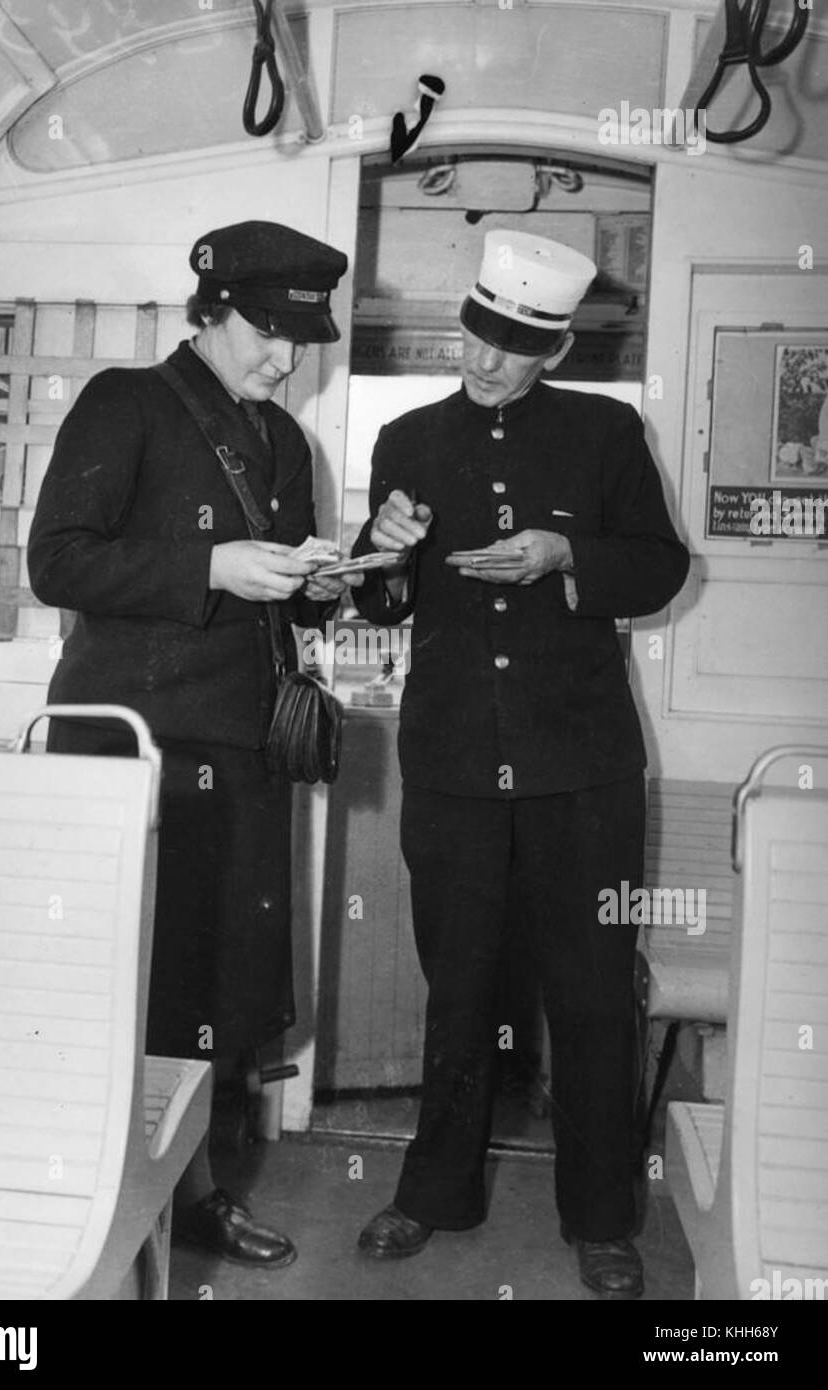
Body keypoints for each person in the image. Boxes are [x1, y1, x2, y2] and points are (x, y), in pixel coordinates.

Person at [351, 229, 690, 1299]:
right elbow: (376, 599)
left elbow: (663, 564)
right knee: (457, 986)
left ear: (553, 352)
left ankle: (599, 1216)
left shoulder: (605, 431)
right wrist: (388, 549)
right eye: (477, 337)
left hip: (581, 766)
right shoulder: (404, 438)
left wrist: (569, 555)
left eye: (513, 348)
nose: (486, 361)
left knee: (591, 990)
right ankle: (433, 1192)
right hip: (453, 759)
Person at [28, 220, 351, 1270]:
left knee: (215, 986)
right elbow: (58, 561)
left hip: (241, 755)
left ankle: (196, 1192)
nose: (286, 360)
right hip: (130, 756)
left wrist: (338, 581)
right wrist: (209, 569)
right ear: (209, 311)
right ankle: (82, 1189)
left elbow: (289, 596)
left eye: (301, 342)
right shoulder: (126, 404)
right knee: (116, 982)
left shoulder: (286, 444)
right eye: (269, 332)